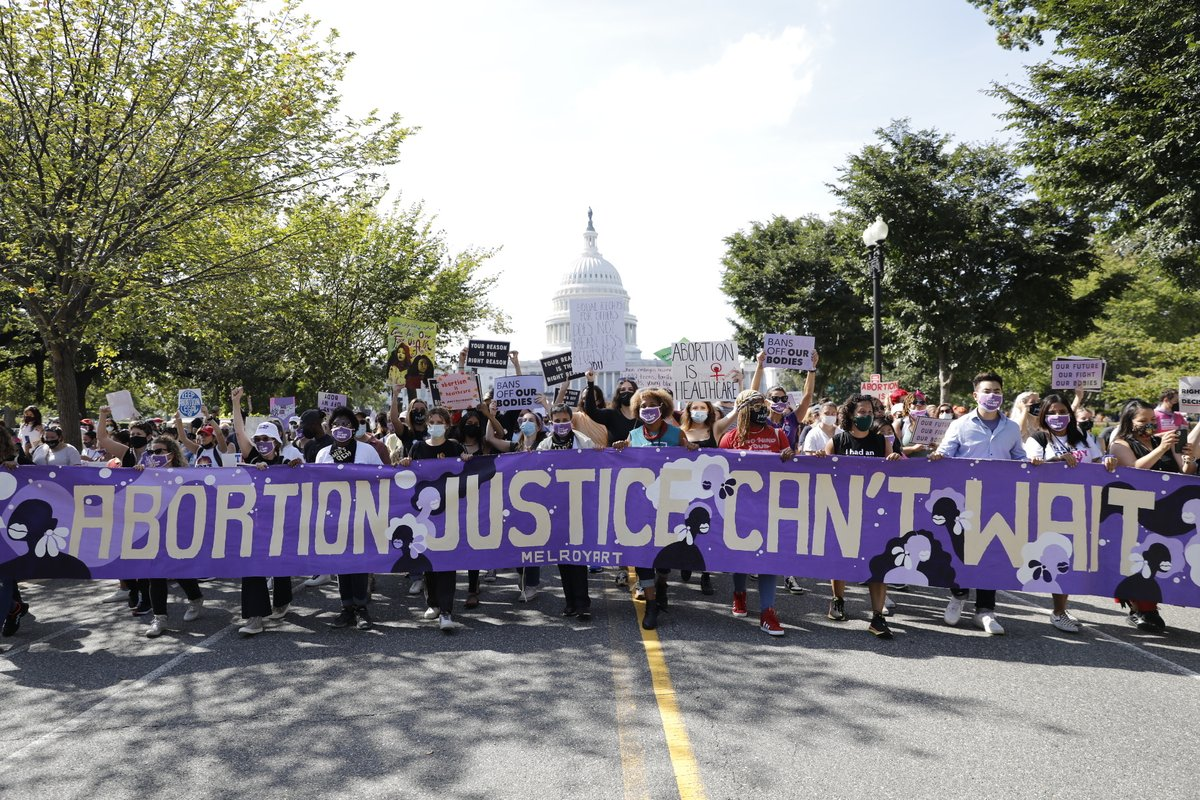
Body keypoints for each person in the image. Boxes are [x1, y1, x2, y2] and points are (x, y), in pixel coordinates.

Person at [930, 371, 1028, 635]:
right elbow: (945, 454)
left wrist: (1032, 464)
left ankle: (985, 610)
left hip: (998, 502)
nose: (992, 395)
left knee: (991, 554)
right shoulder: (960, 425)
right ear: (975, 395)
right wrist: (937, 457)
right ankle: (958, 595)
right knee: (960, 549)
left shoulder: (1012, 428)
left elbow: (1019, 458)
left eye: (997, 390)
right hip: (964, 503)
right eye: (987, 391)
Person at [1023, 394, 1117, 633]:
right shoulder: (1038, 438)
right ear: (1044, 414)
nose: (1058, 416)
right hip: (1051, 508)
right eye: (1052, 412)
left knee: (1075, 559)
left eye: (1062, 411)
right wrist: (1055, 460)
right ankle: (1059, 611)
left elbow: (1098, 461)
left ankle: (1061, 609)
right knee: (1059, 556)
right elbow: (1031, 469)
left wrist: (1107, 461)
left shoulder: (1083, 437)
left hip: (1084, 506)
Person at [1108, 399, 1197, 632]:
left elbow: (1186, 472)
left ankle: (1152, 604)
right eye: (1143, 421)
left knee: (1166, 557)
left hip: (1169, 511)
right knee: (1140, 558)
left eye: (1152, 420)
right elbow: (1136, 470)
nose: (1149, 425)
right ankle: (1140, 607)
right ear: (1130, 421)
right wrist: (1161, 449)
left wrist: (1188, 458)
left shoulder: (1162, 440)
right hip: (1138, 513)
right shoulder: (1120, 444)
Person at [613, 387, 697, 630]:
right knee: (642, 557)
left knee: (664, 559)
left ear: (662, 407)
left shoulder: (676, 434)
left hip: (669, 507)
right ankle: (650, 605)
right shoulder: (633, 435)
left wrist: (690, 450)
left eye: (651, 405)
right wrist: (619, 449)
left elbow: (688, 465)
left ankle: (662, 584)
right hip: (641, 507)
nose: (646, 409)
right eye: (642, 406)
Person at [820, 393, 902, 639]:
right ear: (851, 415)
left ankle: (877, 617)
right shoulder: (838, 441)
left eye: (870, 413)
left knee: (879, 564)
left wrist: (895, 460)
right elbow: (823, 472)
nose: (866, 416)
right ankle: (838, 600)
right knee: (841, 558)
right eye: (862, 412)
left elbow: (891, 470)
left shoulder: (880, 442)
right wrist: (818, 459)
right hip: (843, 511)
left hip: (874, 512)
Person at [719, 390, 795, 636]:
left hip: (771, 506)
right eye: (754, 405)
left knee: (768, 558)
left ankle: (767, 611)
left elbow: (790, 467)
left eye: (762, 404)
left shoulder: (777, 434)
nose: (762, 409)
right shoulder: (730, 438)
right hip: (740, 508)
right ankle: (739, 594)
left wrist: (789, 457)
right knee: (741, 556)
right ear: (742, 409)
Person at [229, 387, 301, 636]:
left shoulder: (284, 463)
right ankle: (255, 618)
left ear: (277, 443)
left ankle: (282, 601)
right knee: (252, 569)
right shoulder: (250, 459)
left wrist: (296, 468)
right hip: (253, 524)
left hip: (281, 524)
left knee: (281, 565)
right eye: (258, 440)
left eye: (266, 440)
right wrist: (235, 402)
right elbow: (239, 431)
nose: (261, 444)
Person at [398, 407, 472, 631]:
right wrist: (405, 464)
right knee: (428, 560)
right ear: (427, 424)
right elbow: (410, 474)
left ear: (447, 425)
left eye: (440, 421)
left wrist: (466, 460)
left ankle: (447, 611)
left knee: (447, 562)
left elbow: (465, 472)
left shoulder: (454, 447)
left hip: (450, 514)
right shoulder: (418, 447)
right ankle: (434, 603)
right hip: (426, 515)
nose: (435, 424)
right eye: (432, 421)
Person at [315, 404, 385, 630]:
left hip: (362, 515)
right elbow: (313, 483)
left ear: (354, 428)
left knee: (360, 562)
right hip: (334, 517)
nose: (341, 428)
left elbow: (382, 478)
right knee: (341, 563)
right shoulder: (323, 454)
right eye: (336, 424)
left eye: (346, 424)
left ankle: (362, 608)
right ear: (330, 428)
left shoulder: (367, 451)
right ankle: (347, 609)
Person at [131, 434, 206, 637]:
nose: (154, 455)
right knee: (155, 574)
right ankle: (160, 618)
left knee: (178, 568)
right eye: (151, 452)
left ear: (171, 454)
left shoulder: (184, 474)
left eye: (159, 451)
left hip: (178, 530)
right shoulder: (146, 473)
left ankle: (195, 598)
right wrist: (138, 474)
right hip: (153, 529)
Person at [537, 404, 599, 619]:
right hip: (556, 509)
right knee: (562, 557)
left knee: (578, 556)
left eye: (565, 420)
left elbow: (597, 466)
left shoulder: (584, 441)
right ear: (550, 422)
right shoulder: (544, 445)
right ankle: (570, 602)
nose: (561, 424)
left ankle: (583, 603)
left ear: (571, 421)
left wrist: (600, 453)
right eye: (557, 420)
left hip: (579, 506)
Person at [678, 399, 720, 595]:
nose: (699, 410)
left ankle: (705, 575)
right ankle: (685, 560)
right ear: (688, 410)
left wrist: (741, 383)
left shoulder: (715, 429)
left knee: (708, 530)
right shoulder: (680, 431)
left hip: (710, 488)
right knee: (688, 526)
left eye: (703, 407)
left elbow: (737, 411)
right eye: (695, 407)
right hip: (687, 487)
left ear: (709, 411)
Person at [583, 370, 640, 447]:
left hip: (638, 458)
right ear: (618, 394)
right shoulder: (611, 415)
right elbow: (591, 411)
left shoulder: (642, 416)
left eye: (630, 389)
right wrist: (590, 382)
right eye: (623, 390)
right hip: (615, 458)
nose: (627, 392)